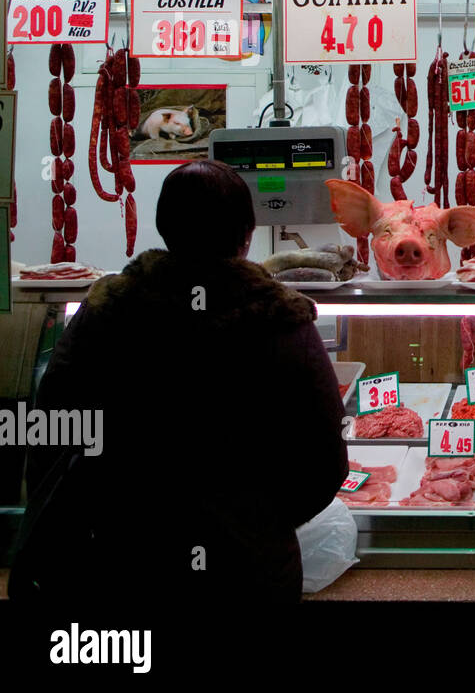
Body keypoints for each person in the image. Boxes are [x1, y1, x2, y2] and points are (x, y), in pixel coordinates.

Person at [10, 160, 348, 603]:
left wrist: (97, 516)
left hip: (126, 562)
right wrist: (261, 521)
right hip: (248, 571)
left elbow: (53, 432)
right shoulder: (282, 320)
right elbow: (325, 458)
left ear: (163, 227)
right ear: (246, 234)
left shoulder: (108, 312)